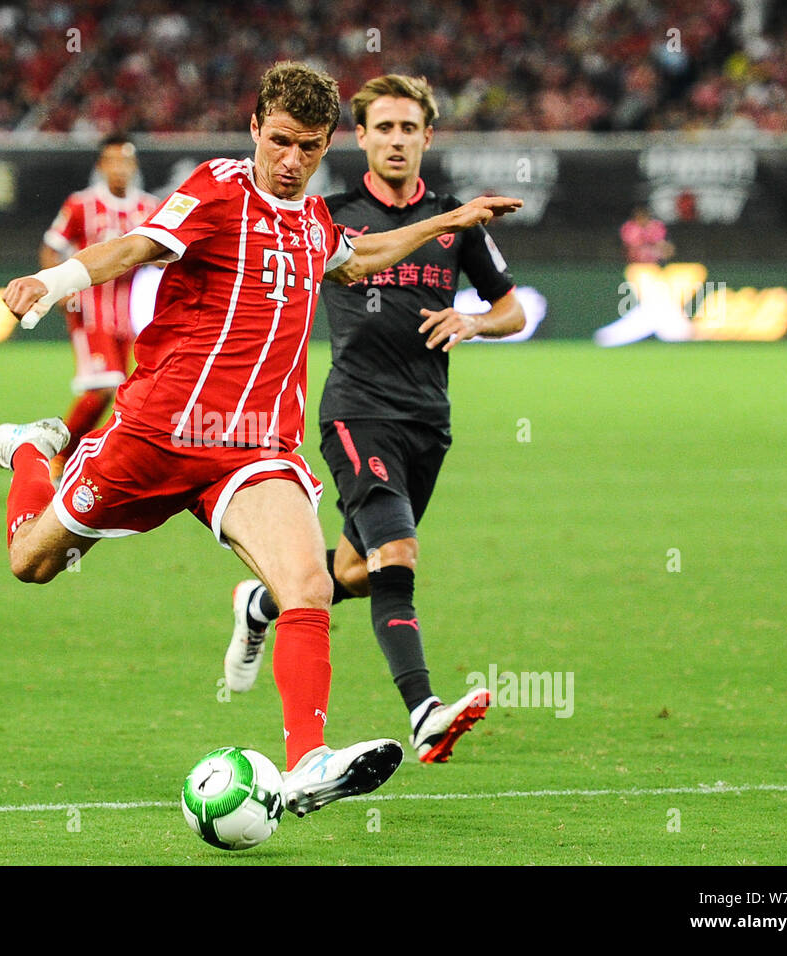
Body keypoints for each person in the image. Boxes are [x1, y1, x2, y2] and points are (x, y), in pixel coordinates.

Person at [0, 62, 522, 815]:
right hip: (158, 433)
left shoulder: (313, 222)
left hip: (256, 449)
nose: (291, 160)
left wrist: (445, 224)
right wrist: (56, 281)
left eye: (307, 146)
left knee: (304, 585)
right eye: (279, 142)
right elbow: (137, 246)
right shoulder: (219, 188)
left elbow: (356, 258)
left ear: (328, 142)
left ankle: (307, 761)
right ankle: (30, 452)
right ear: (254, 131)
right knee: (31, 563)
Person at [223, 74, 527, 765]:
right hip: (356, 410)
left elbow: (513, 308)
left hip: (428, 419)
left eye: (407, 128)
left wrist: (474, 321)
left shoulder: (457, 220)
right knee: (399, 555)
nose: (395, 140)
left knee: (359, 572)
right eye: (382, 128)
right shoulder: (328, 215)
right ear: (357, 137)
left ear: (427, 137)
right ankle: (423, 709)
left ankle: (261, 606)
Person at [39, 133, 159, 480]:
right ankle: (59, 456)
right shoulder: (81, 204)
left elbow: (163, 256)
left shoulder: (149, 208)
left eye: (126, 161)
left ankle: (92, 461)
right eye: (113, 161)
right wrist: (56, 289)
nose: (119, 168)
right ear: (101, 166)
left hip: (131, 314)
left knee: (126, 393)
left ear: (134, 166)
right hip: (89, 310)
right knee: (104, 386)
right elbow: (51, 246)